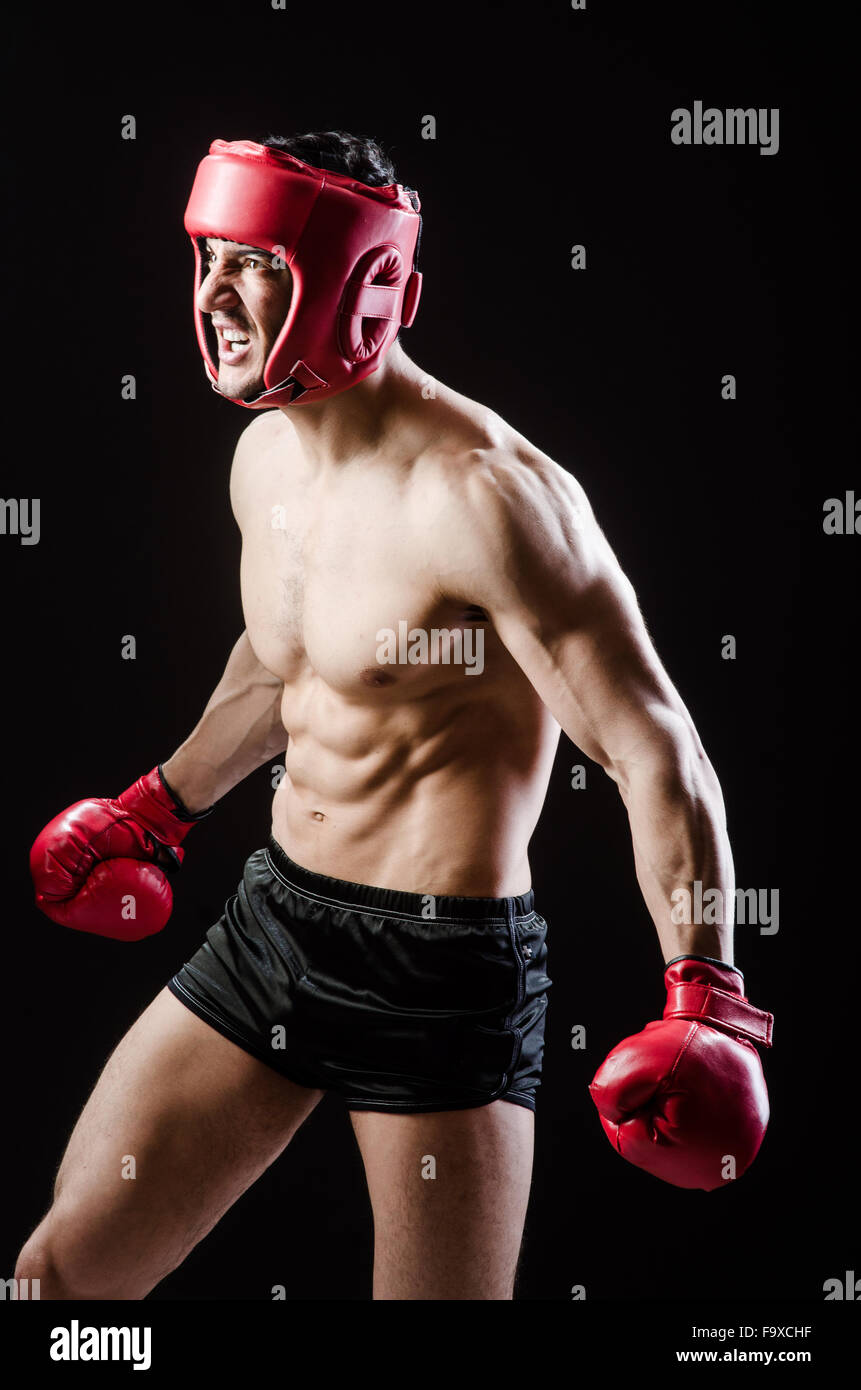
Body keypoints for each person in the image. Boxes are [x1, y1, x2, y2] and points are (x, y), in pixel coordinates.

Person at [17, 130, 772, 1302]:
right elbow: (283, 670)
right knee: (59, 1284)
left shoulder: (493, 498)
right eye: (205, 256)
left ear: (362, 283)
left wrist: (710, 1000)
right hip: (275, 925)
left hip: (444, 976)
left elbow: (653, 750)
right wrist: (157, 807)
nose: (214, 295)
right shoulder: (264, 461)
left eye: (255, 261)